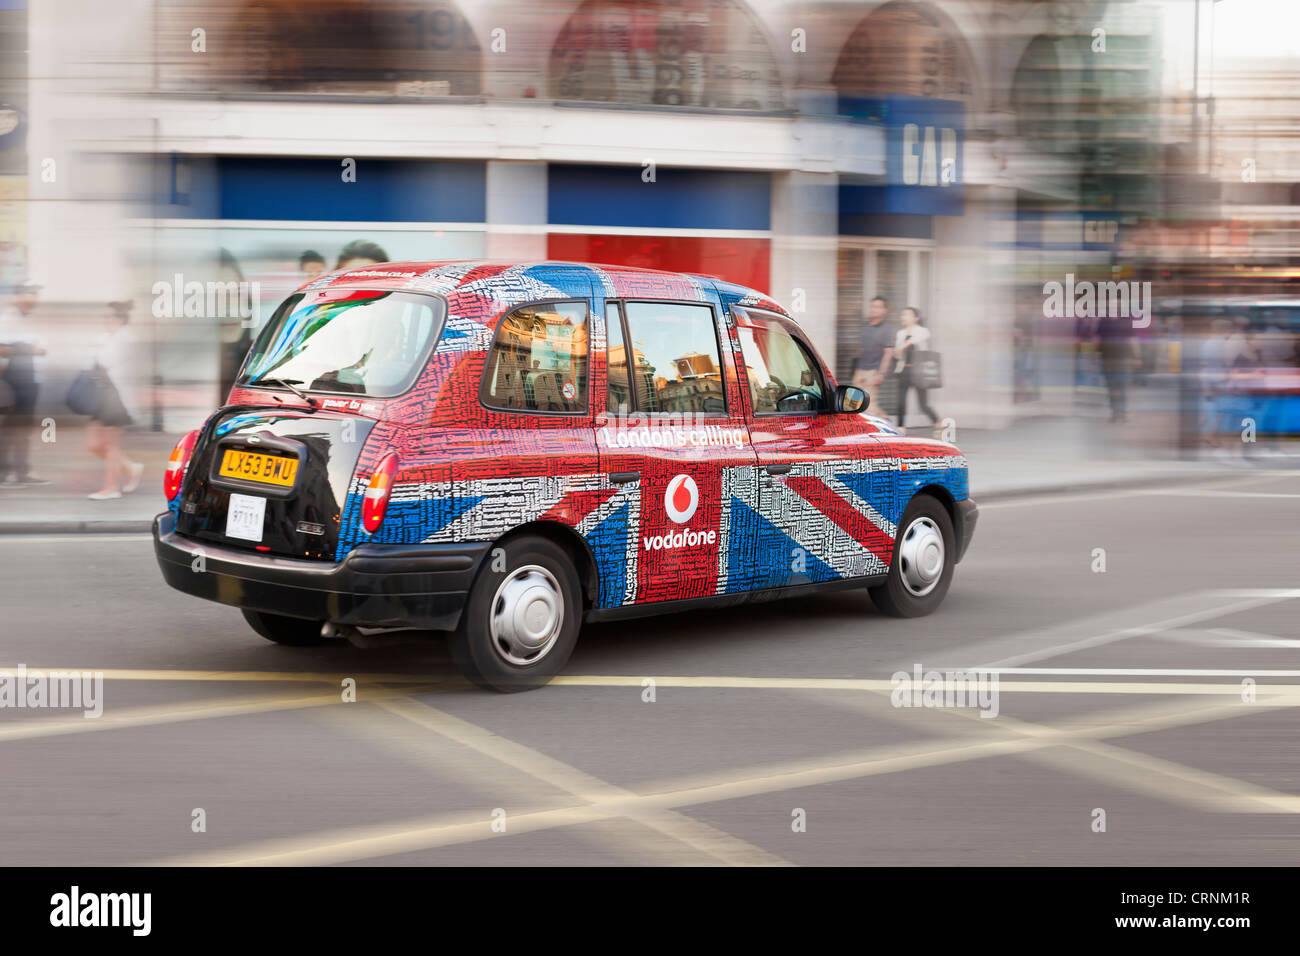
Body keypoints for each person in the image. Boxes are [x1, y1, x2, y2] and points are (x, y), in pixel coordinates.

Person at [85, 301, 143, 500]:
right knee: (93, 443)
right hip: (104, 395)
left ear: (119, 319)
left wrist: (99, 347)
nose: (104, 320)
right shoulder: (109, 337)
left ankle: (111, 488)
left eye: (109, 317)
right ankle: (130, 467)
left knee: (111, 445)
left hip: (119, 398)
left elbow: (104, 361)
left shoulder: (125, 338)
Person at [0, 281, 50, 486]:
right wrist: (30, 350)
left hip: (31, 380)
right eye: (29, 293)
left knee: (24, 429)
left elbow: (42, 349)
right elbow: (2, 349)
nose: (33, 298)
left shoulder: (34, 319)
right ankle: (3, 475)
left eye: (35, 294)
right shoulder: (8, 318)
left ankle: (22, 473)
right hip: (13, 379)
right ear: (18, 296)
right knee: (10, 429)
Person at [892, 306, 940, 436]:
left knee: (922, 404)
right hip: (904, 370)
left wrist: (905, 344)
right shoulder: (900, 334)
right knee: (900, 401)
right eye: (902, 315)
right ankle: (901, 427)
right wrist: (898, 350)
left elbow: (918, 339)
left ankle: (936, 422)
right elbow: (897, 354)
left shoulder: (922, 331)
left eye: (906, 314)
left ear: (915, 318)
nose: (903, 317)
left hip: (918, 372)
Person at [852, 296, 894, 416]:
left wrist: (881, 373)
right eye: (872, 306)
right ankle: (886, 423)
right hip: (860, 370)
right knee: (854, 404)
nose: (874, 309)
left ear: (884, 310)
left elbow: (888, 353)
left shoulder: (886, 329)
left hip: (873, 372)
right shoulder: (865, 326)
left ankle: (886, 427)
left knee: (870, 405)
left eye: (878, 307)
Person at [1097, 313, 1141, 423]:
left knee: (1122, 386)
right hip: (1107, 359)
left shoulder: (1126, 320)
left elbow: (1132, 339)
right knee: (1111, 387)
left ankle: (1123, 412)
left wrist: (1137, 356)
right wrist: (1095, 354)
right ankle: (1115, 412)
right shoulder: (1103, 321)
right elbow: (1098, 339)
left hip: (1123, 358)